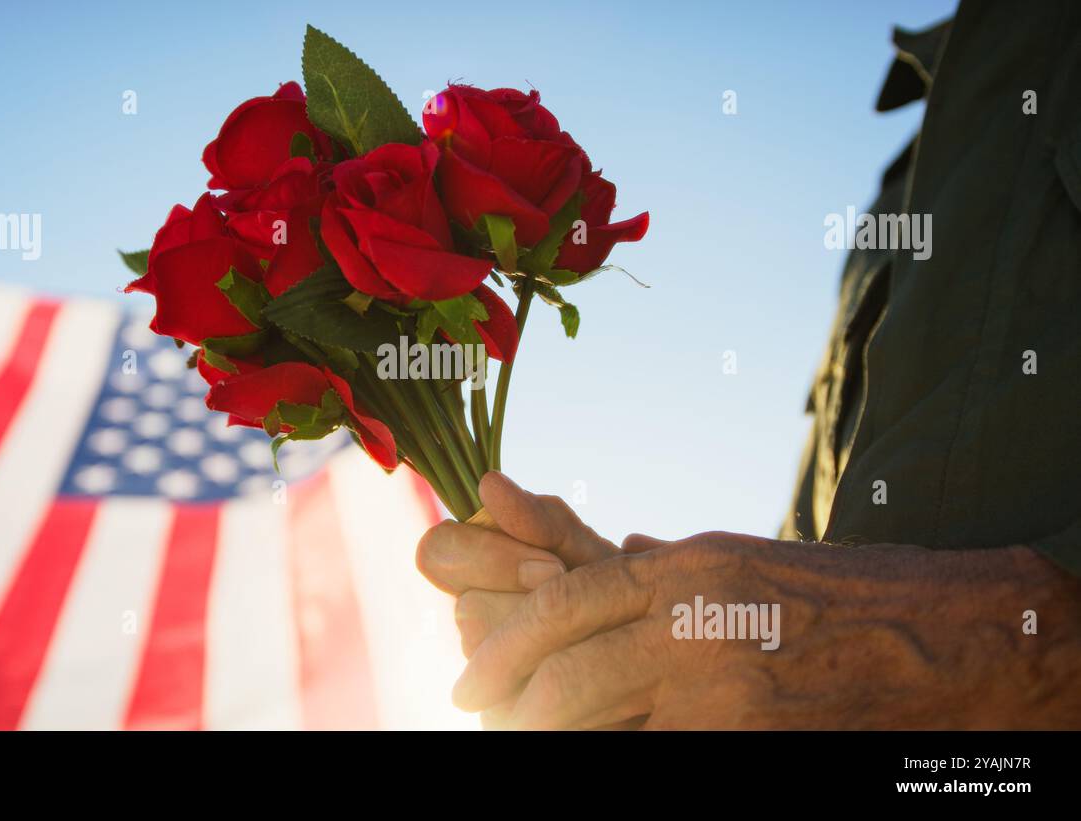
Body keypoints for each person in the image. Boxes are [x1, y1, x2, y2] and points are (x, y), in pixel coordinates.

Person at [416, 1, 1081, 729]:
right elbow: (811, 602)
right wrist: (642, 648)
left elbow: (851, 629)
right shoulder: (914, 167)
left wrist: (959, 646)